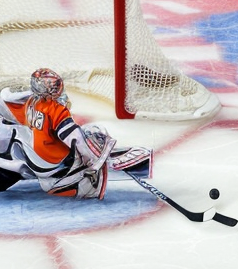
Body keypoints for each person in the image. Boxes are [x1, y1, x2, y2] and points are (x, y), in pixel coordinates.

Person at [0, 68, 149, 199]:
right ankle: (93, 171)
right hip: (53, 166)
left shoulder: (30, 102)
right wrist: (93, 161)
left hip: (34, 161)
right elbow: (75, 139)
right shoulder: (55, 109)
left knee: (16, 133)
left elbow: (7, 102)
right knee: (93, 132)